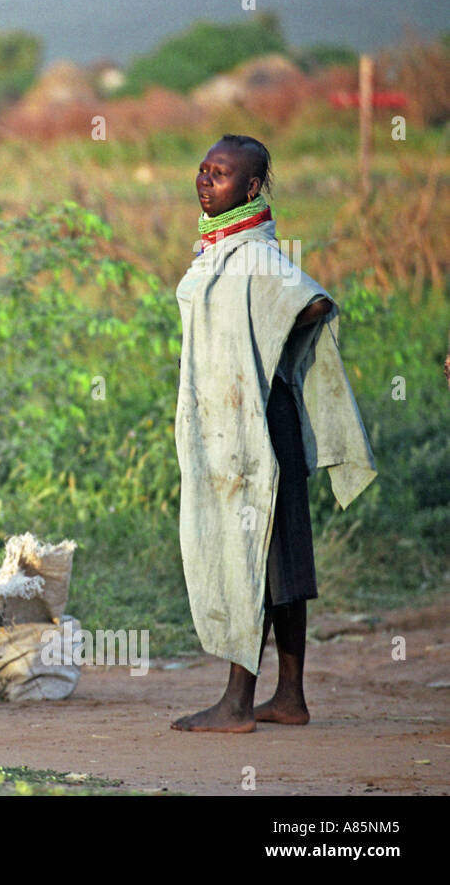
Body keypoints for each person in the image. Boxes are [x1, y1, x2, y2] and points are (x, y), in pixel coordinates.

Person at [171, 134, 377, 733]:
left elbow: (312, 301)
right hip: (239, 424)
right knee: (282, 555)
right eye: (204, 169)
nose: (206, 181)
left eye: (222, 174)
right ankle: (289, 698)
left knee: (252, 555)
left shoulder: (257, 255)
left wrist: (271, 329)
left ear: (253, 187)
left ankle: (236, 703)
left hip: (262, 424)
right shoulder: (223, 247)